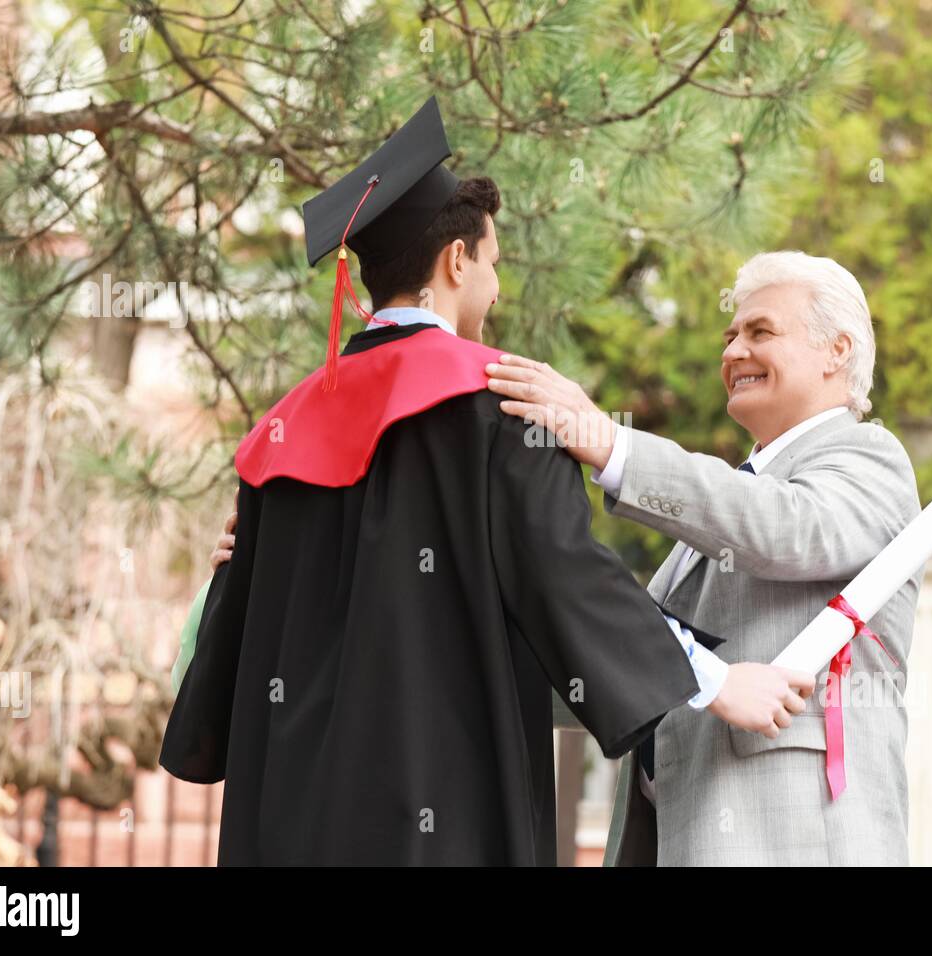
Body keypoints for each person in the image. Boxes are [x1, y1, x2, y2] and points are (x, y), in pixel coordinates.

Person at [160, 98, 813, 865]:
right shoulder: (503, 401)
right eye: (494, 263)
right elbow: (560, 573)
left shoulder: (281, 432)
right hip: (442, 811)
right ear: (457, 262)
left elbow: (230, 650)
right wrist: (713, 680)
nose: (497, 289)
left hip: (291, 822)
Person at [486, 251, 923, 865]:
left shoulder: (869, 460)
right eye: (731, 335)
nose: (733, 352)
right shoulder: (722, 514)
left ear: (838, 351)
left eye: (760, 331)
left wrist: (610, 443)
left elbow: (785, 529)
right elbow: (647, 664)